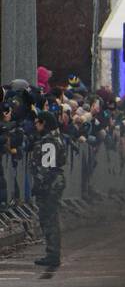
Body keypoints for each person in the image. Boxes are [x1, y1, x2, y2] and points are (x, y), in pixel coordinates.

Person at [29, 111, 66, 268]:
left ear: (44, 123)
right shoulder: (55, 138)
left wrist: (40, 185)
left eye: (38, 122)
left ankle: (52, 254)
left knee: (48, 219)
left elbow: (46, 167)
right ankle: (52, 253)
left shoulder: (49, 141)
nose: (35, 126)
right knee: (50, 218)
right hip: (53, 182)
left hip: (49, 185)